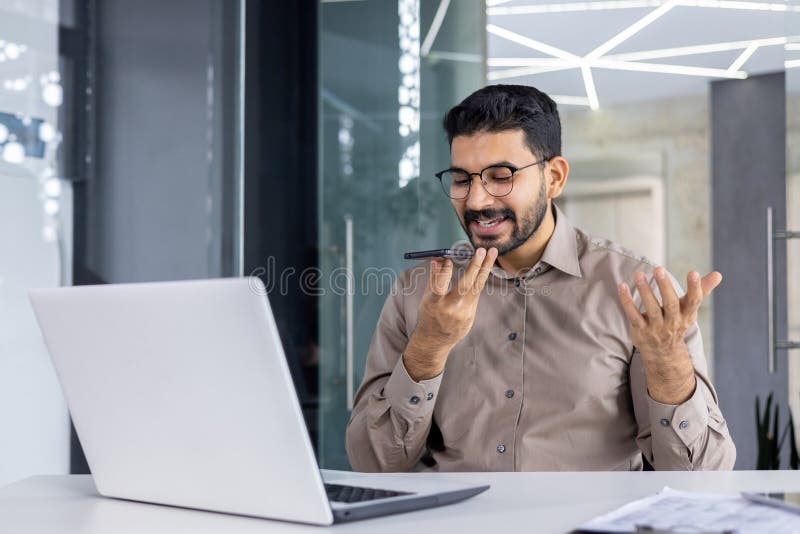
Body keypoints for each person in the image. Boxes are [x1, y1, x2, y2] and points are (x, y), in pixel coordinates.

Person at [345, 84, 736, 471]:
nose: (478, 201)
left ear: (554, 177)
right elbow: (374, 464)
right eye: (462, 180)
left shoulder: (637, 291)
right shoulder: (418, 293)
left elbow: (702, 476)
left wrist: (669, 365)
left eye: (501, 176)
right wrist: (427, 348)